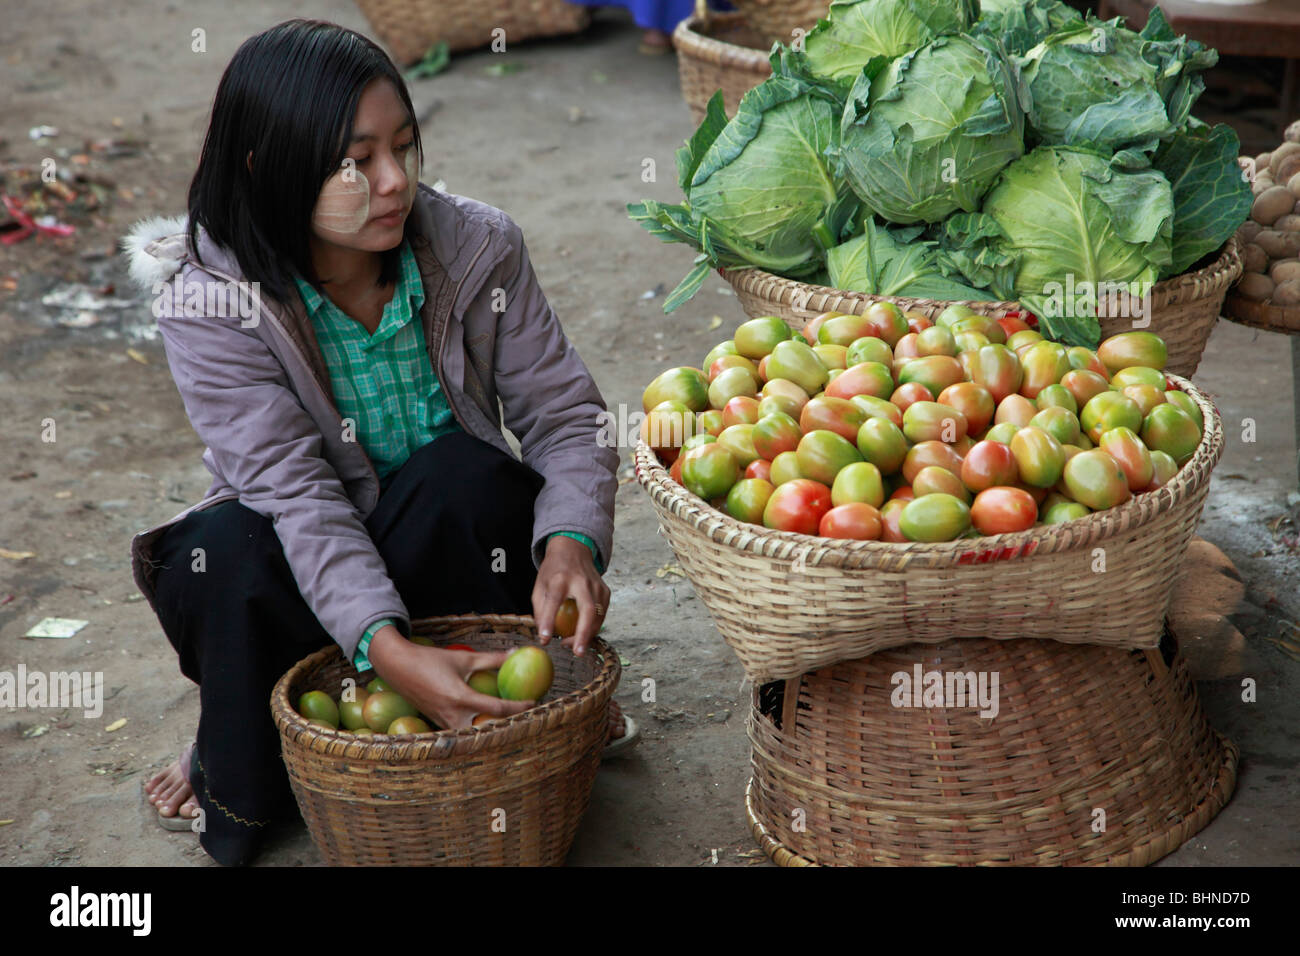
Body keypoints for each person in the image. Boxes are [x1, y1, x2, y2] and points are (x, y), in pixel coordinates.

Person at [123, 19, 622, 866]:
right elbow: (297, 494)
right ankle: (242, 737)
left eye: (404, 147)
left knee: (464, 474)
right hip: (305, 574)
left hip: (448, 553)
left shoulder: (476, 246)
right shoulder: (209, 302)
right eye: (355, 161)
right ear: (264, 168)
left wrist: (573, 539)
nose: (393, 182)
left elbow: (565, 415)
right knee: (223, 547)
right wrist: (387, 652)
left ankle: (473, 693)